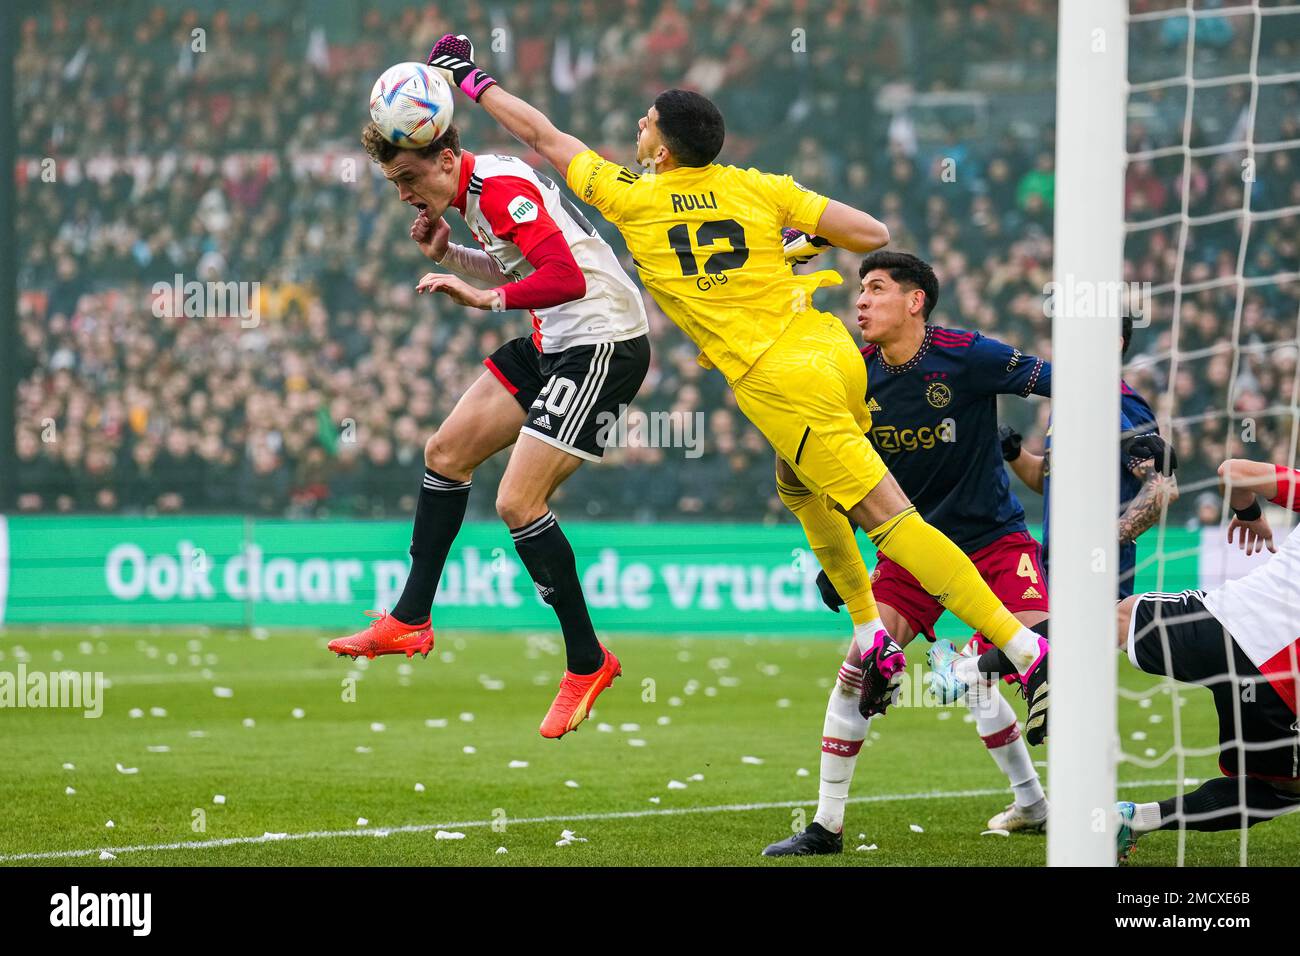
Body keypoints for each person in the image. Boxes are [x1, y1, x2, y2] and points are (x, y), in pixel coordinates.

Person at [426, 35, 1052, 735]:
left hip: (779, 381)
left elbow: (543, 135)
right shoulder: (756, 185)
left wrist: (470, 78)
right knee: (796, 485)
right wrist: (796, 246)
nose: (636, 128)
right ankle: (873, 631)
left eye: (645, 123)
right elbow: (869, 230)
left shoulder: (630, 197)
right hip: (832, 352)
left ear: (661, 150)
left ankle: (1029, 653)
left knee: (893, 520)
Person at [327, 121, 651, 740]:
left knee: (517, 501)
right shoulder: (474, 191)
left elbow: (567, 278)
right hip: (554, 339)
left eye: (408, 177)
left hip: (602, 342)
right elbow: (524, 262)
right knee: (446, 452)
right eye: (394, 180)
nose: (402, 194)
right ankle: (411, 617)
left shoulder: (498, 188)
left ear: (446, 159)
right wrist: (448, 254)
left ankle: (587, 661)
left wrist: (483, 299)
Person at [765, 251, 1052, 856]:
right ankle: (826, 826)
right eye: (860, 291)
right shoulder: (856, 377)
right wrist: (835, 554)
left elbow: (1057, 379)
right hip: (907, 548)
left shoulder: (967, 354)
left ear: (915, 300)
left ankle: (1036, 800)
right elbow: (838, 469)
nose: (860, 301)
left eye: (875, 289)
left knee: (1038, 651)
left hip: (993, 539)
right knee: (858, 671)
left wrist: (1123, 422)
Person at [1113, 458, 1300, 862]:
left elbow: (1232, 470)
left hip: (1226, 622)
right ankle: (1135, 819)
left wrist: (1249, 513)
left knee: (1118, 619)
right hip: (1281, 682)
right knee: (1281, 789)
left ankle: (980, 666)